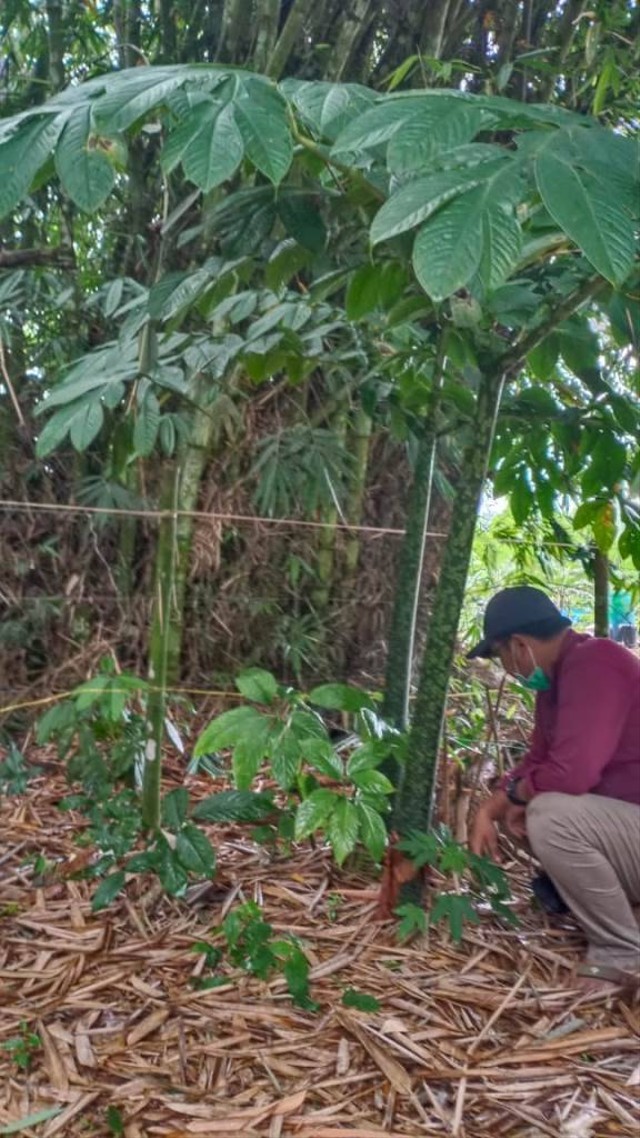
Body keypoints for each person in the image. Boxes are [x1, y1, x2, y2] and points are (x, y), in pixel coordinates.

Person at [468, 585, 640, 990]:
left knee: (549, 816)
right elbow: (537, 761)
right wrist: (492, 808)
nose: (507, 669)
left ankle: (621, 951)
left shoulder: (595, 663)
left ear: (518, 646)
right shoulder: (557, 681)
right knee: (532, 809)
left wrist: (518, 796)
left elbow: (571, 774)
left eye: (500, 657)